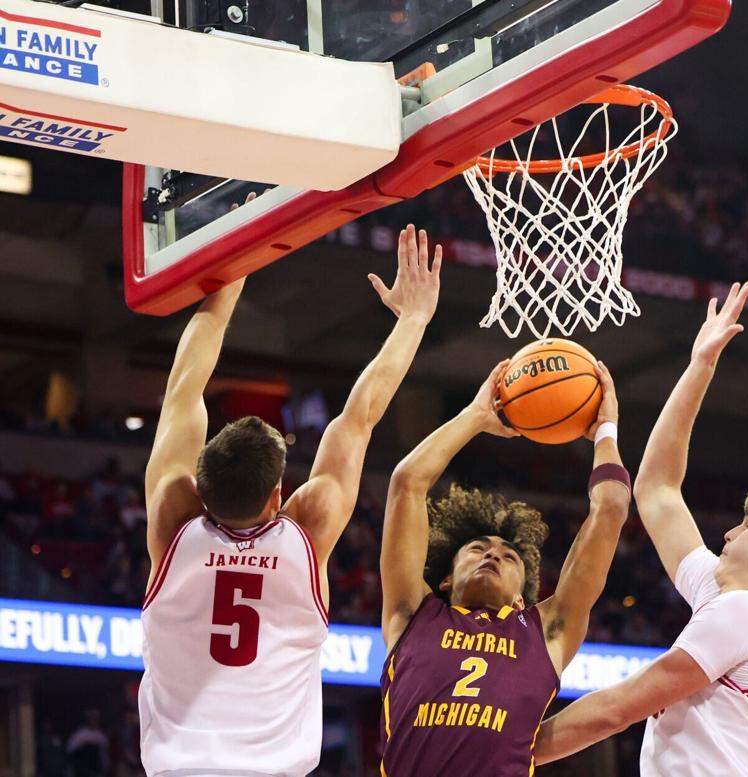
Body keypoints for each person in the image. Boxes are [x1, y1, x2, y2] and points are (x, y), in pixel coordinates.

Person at [139, 224, 442, 776]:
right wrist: (413, 319)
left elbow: (183, 390)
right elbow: (358, 419)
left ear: (201, 485)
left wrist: (229, 280)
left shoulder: (172, 516)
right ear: (278, 493)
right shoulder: (306, 530)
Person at [535, 282, 748, 776]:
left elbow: (619, 708)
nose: (729, 535)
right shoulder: (728, 598)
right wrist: (700, 366)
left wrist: (505, 751)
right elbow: (657, 489)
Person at [378, 358, 630, 776]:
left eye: (509, 557)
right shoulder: (412, 614)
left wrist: (606, 430)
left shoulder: (546, 632)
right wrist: (474, 416)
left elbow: (612, 508)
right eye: (477, 549)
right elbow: (407, 483)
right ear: (445, 579)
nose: (492, 555)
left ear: (520, 598)